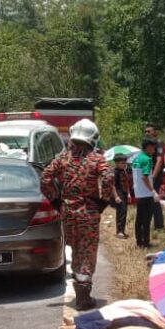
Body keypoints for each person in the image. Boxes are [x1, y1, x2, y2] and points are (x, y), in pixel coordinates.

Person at [42, 119, 114, 310]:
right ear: (92, 138)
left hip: (68, 213)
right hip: (88, 213)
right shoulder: (97, 159)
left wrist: (56, 201)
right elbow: (108, 177)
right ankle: (83, 296)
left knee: (75, 250)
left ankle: (79, 290)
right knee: (87, 252)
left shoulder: (62, 158)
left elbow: (45, 178)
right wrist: (103, 201)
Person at [132, 138, 158, 248]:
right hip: (146, 194)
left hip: (138, 193)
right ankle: (146, 243)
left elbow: (136, 174)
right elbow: (144, 177)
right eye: (153, 147)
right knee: (146, 220)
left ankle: (139, 241)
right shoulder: (147, 159)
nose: (154, 150)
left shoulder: (136, 158)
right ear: (147, 147)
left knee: (139, 219)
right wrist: (153, 191)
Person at [145, 123, 165, 230]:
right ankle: (153, 224)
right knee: (150, 199)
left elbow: (159, 161)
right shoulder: (148, 144)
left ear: (155, 132)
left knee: (154, 198)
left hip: (155, 175)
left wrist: (153, 177)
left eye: (149, 131)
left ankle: (159, 225)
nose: (147, 133)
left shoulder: (159, 144)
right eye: (145, 131)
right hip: (148, 174)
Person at [112, 154, 132, 239]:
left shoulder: (124, 171)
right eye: (122, 163)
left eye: (125, 163)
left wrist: (128, 194)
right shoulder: (115, 172)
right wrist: (116, 196)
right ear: (116, 163)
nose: (124, 164)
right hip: (118, 193)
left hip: (124, 193)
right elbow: (112, 185)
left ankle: (122, 231)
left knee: (124, 212)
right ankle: (119, 231)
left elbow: (126, 183)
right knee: (120, 212)